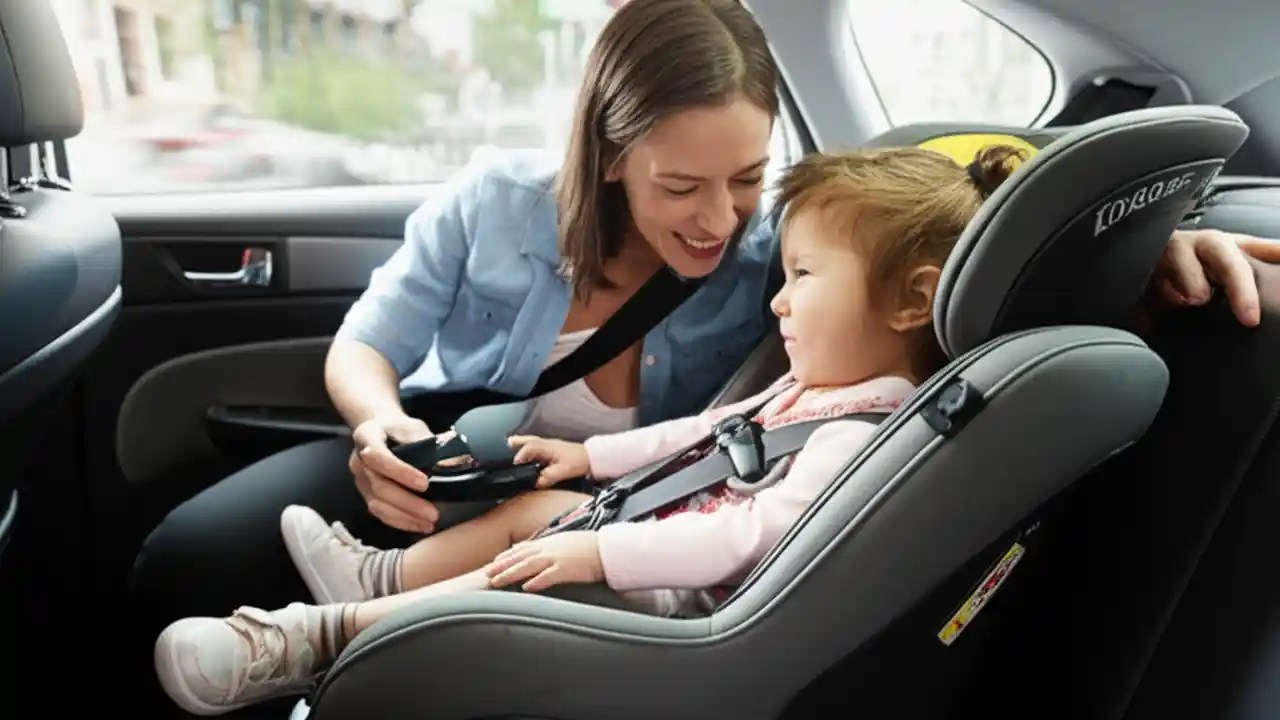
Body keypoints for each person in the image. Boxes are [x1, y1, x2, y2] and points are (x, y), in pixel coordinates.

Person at [129, 0, 1280, 715]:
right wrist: (378, 428)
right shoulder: (491, 207)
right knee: (185, 552)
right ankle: (356, 591)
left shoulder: (794, 264)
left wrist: (1142, 238)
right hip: (465, 456)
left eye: (743, 180)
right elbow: (367, 347)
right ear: (609, 156)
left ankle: (328, 632)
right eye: (680, 186)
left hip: (633, 511)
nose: (721, 223)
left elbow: (949, 234)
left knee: (475, 569)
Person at [153, 142, 1029, 715]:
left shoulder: (859, 430)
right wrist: (589, 457)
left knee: (529, 565)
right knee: (541, 515)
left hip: (685, 600)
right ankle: (379, 576)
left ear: (916, 297)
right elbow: (702, 430)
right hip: (655, 541)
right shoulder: (810, 386)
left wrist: (599, 554)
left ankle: (313, 637)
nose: (774, 292)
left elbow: (756, 532)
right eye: (681, 183)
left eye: (802, 275)